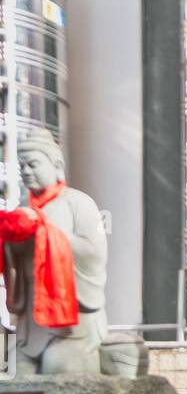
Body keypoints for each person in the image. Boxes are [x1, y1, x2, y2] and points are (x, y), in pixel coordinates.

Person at [1, 128, 108, 374]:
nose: (26, 171)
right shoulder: (24, 209)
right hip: (30, 322)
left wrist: (45, 232)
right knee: (16, 376)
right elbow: (14, 264)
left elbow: (94, 255)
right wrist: (11, 238)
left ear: (56, 164)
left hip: (72, 325)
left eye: (33, 164)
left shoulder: (79, 203)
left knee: (59, 368)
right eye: (22, 166)